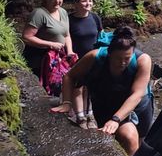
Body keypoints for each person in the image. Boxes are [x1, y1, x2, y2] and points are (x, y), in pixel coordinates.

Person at [51, 26, 153, 155]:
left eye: (127, 59)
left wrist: (116, 119)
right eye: (118, 59)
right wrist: (66, 103)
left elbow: (137, 94)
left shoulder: (143, 60)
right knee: (122, 136)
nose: (122, 63)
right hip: (105, 102)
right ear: (109, 53)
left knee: (139, 142)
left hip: (137, 105)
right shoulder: (94, 57)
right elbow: (70, 76)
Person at [68, 0, 105, 129]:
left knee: (90, 86)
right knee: (78, 86)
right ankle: (80, 116)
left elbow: (101, 34)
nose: (88, 3)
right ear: (76, 4)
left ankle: (89, 114)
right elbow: (66, 37)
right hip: (77, 58)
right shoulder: (69, 19)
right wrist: (69, 53)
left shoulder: (95, 17)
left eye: (90, 1)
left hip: (94, 58)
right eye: (84, 1)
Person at [22, 0, 73, 79]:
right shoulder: (39, 14)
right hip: (39, 60)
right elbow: (27, 37)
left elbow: (66, 35)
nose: (57, 1)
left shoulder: (63, 12)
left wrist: (70, 52)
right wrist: (51, 44)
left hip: (58, 58)